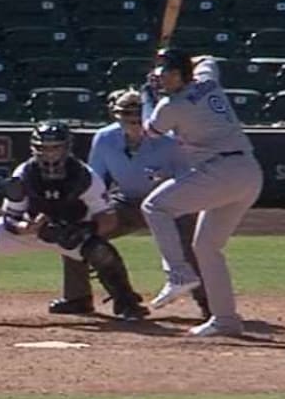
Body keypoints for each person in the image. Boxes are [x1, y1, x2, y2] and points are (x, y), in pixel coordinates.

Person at [0, 121, 149, 323]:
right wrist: (24, 228)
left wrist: (83, 229)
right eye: (43, 148)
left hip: (69, 234)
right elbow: (11, 216)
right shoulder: (24, 174)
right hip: (30, 232)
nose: (48, 154)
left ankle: (127, 304)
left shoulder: (83, 175)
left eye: (54, 148)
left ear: (66, 148)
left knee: (101, 252)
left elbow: (108, 218)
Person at [139, 49, 265, 337]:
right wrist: (169, 64)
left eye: (169, 74)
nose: (162, 79)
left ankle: (178, 274)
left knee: (154, 207)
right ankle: (226, 319)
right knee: (207, 247)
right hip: (247, 172)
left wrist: (147, 96)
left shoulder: (172, 105)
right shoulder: (207, 80)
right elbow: (208, 58)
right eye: (161, 74)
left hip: (221, 172)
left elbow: (151, 133)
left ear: (182, 75)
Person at [52, 89, 210, 319]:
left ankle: (209, 305)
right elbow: (95, 179)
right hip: (126, 202)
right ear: (117, 117)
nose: (135, 124)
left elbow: (187, 181)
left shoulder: (171, 142)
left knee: (189, 250)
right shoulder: (105, 139)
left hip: (170, 205)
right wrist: (85, 213)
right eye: (128, 118)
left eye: (139, 118)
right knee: (75, 233)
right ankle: (81, 298)